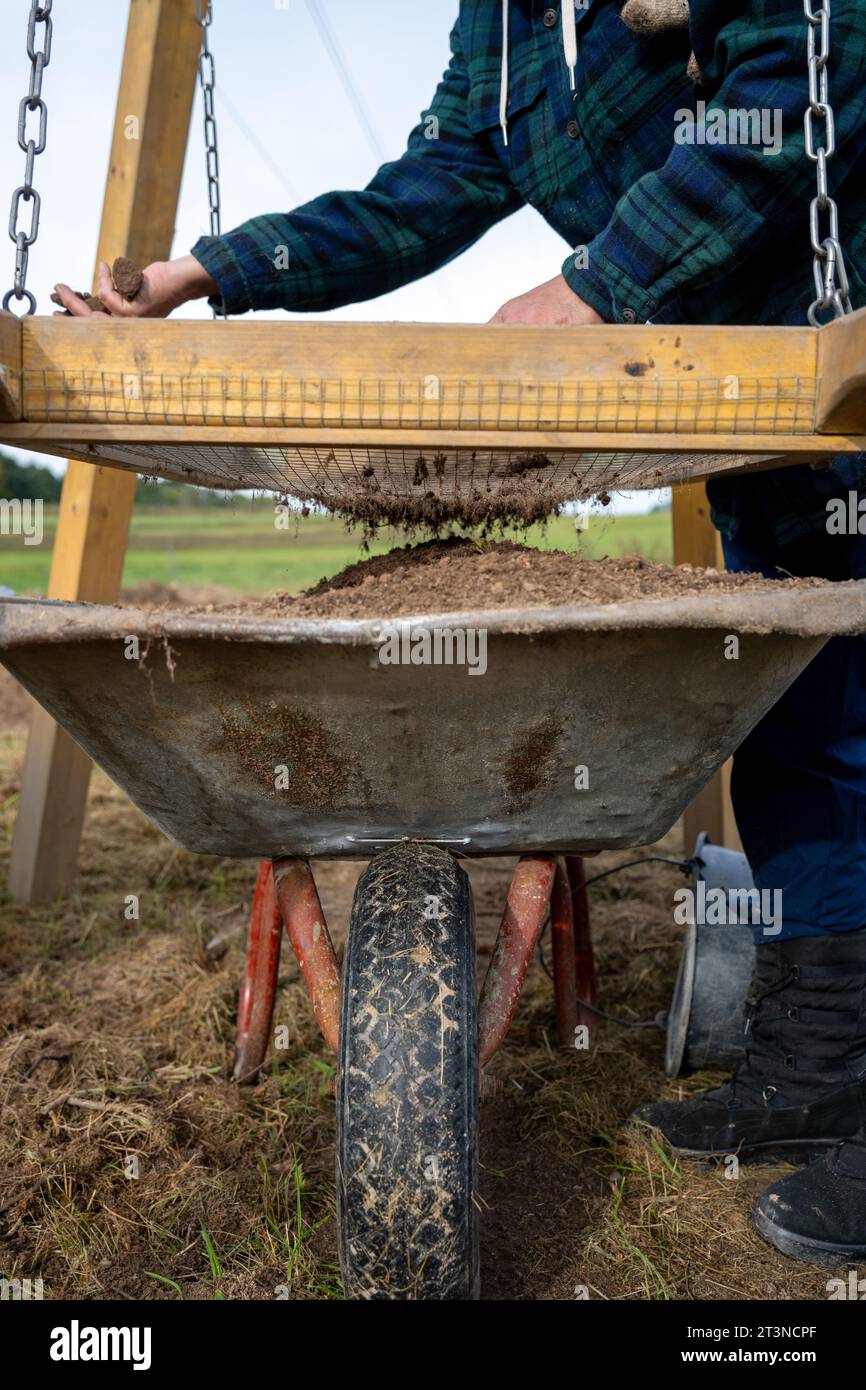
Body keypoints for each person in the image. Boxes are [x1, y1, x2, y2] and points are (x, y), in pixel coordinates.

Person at [55, 1, 866, 1264]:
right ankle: (820, 1062)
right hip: (763, 421)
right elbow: (425, 188)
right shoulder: (503, 34)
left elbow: (815, 72)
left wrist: (604, 281)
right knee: (805, 732)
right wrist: (208, 270)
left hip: (836, 337)